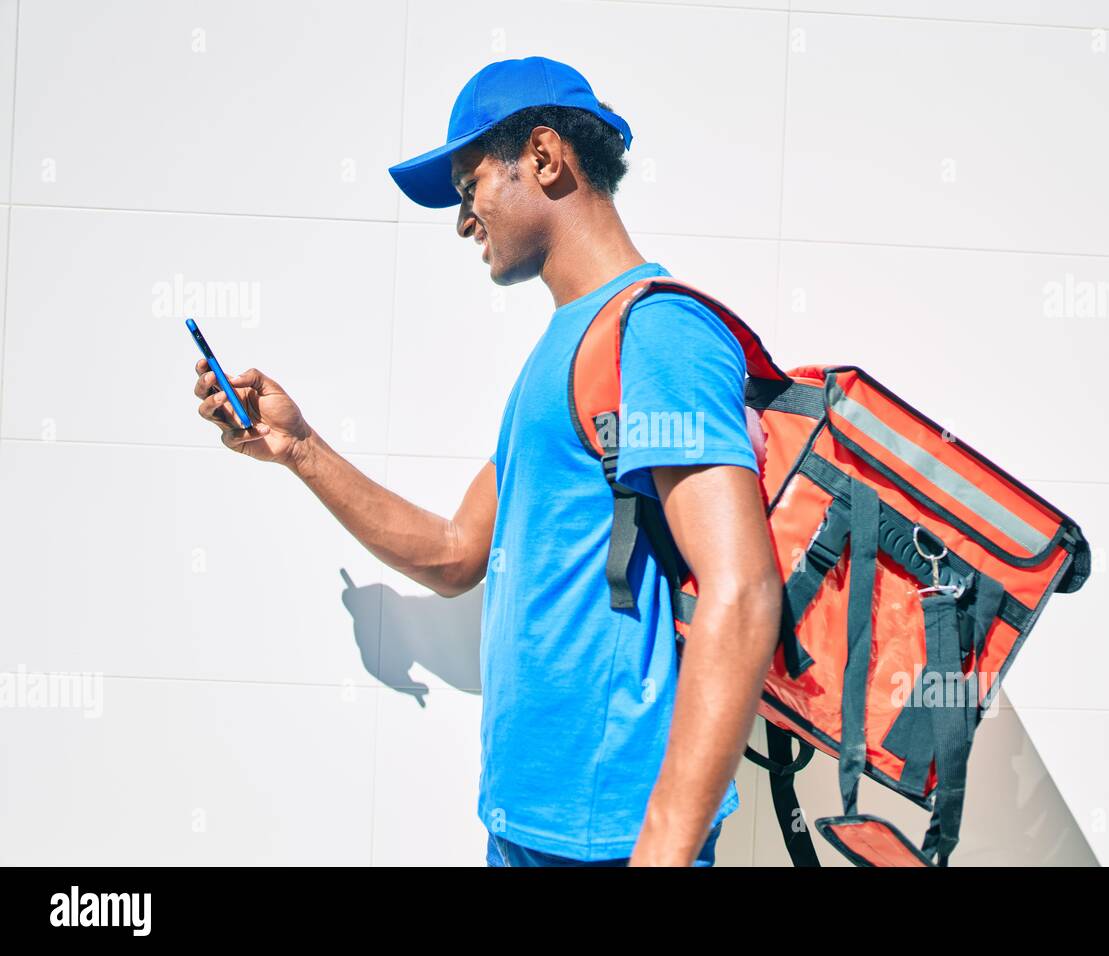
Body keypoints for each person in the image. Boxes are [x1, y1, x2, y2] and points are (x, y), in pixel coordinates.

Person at [192, 56, 782, 867]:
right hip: (525, 825)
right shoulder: (561, 354)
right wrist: (300, 449)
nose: (463, 219)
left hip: (611, 839)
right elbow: (453, 554)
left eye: (470, 187)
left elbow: (744, 590)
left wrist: (663, 852)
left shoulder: (655, 333)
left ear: (543, 157)